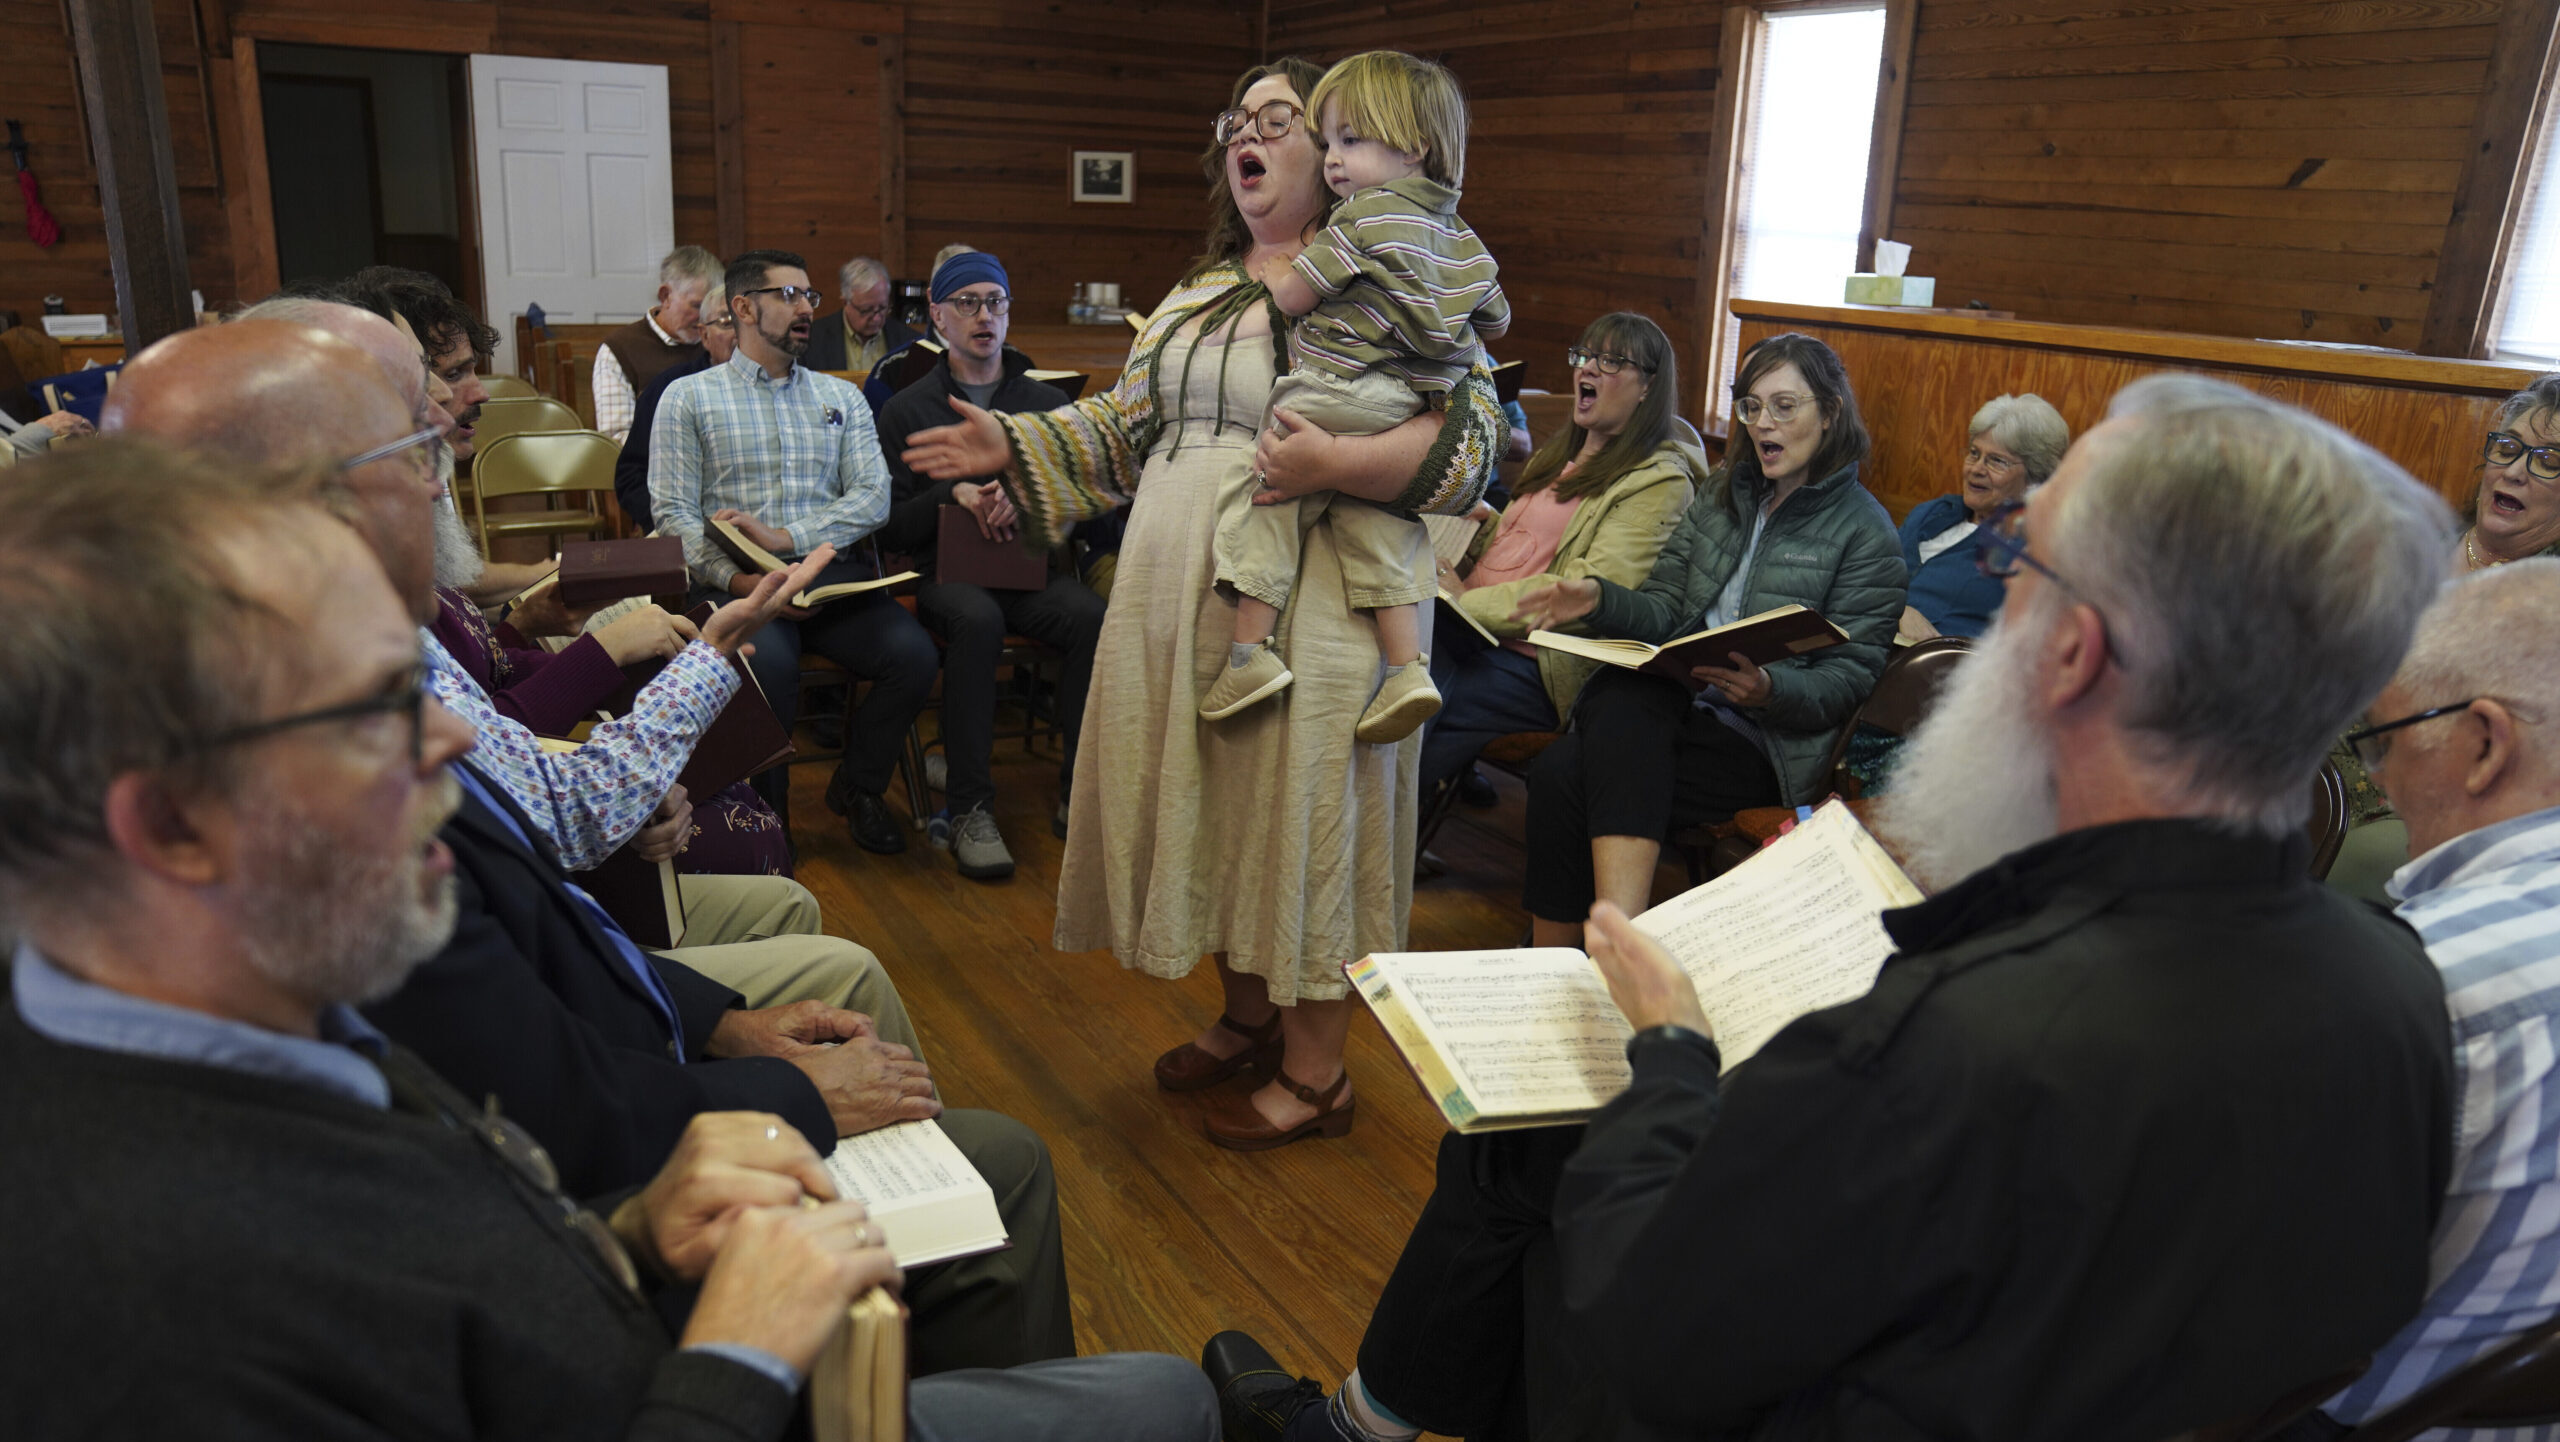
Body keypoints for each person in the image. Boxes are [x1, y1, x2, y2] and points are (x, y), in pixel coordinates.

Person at [1208, 373, 2461, 1442]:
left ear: (2074, 654)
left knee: (1531, 1142)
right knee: (1534, 1150)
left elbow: (1656, 1327)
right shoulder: (2396, 981)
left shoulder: (1965, 1033)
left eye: (2020, 559)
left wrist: (1670, 1047)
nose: (1999, 589)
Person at [0, 439, 1220, 1442]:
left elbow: (459, 1292)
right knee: (1166, 1400)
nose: (450, 744)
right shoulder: (132, 1299)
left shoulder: (250, 998)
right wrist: (736, 1355)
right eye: (372, 710)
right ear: (169, 823)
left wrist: (625, 1238)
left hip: (631, 1321)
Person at [900, 59, 1504, 1149]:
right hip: (1187, 592)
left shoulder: (1391, 275)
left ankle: (1320, 1073)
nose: (1248, 134)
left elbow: (1470, 450)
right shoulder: (1195, 295)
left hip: (1321, 591)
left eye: (1279, 117)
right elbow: (1125, 429)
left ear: (1333, 150)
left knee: (1310, 814)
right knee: (1225, 807)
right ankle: (1247, 1014)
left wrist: (1335, 459)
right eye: (1237, 120)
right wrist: (1018, 441)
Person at [1509, 332, 1905, 944]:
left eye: (1783, 406)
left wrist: (1769, 689)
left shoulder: (1866, 532)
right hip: (1677, 713)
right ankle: (1604, 953)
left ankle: (1607, 949)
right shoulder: (1724, 493)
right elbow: (1668, 607)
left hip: (1765, 745)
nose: (1761, 423)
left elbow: (1850, 680)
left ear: (1829, 414)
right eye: (1749, 406)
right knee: (1607, 716)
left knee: (1571, 764)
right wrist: (1598, 599)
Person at [2291, 561, 2560, 1437]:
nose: (2381, 778)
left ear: (2485, 744)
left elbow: (2251, 1298)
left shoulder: (2430, 987)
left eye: (2384, 741)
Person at [1203, 50, 1509, 745]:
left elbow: (1293, 296)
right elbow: (1495, 318)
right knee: (1379, 522)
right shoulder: (1458, 236)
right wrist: (1438, 324)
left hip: (1341, 390)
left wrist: (1285, 275)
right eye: (1330, 141)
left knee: (1263, 491)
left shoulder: (1360, 221)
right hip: (1404, 394)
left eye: (1343, 140)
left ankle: (1249, 651)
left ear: (1415, 147)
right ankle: (1408, 666)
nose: (1336, 159)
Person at [651, 248, 939, 852]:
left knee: (912, 656)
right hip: (740, 589)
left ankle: (858, 788)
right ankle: (766, 825)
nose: (806, 308)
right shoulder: (690, 398)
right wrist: (743, 585)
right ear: (743, 307)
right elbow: (675, 519)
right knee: (769, 667)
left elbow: (873, 498)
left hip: (831, 586)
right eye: (788, 296)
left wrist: (788, 541)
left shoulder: (842, 398)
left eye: (809, 296)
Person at [874, 250, 1103, 879]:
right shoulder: (908, 409)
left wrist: (1031, 491)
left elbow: (1089, 505)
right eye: (968, 303)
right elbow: (890, 525)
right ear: (939, 319)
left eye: (995, 302)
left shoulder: (1041, 401)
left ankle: (1078, 793)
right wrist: (955, 493)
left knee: (1090, 615)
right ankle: (972, 805)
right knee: (976, 620)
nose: (984, 316)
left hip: (1026, 566)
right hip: (945, 574)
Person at [1420, 313, 1700, 805]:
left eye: (1610, 361)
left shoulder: (1658, 481)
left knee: (1421, 703)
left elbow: (1584, 593)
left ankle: (1377, 847)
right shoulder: (1559, 455)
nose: (1587, 369)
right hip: (1473, 631)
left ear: (1646, 388)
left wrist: (1465, 602)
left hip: (1538, 662)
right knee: (1391, 667)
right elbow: (1523, 546)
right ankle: (1373, 836)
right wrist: (1478, 529)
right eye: (1584, 355)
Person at [2329, 373, 2560, 900]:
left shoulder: (2548, 602)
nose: (2517, 471)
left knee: (2361, 860)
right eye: (2508, 448)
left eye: (2548, 460)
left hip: (2423, 792)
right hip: (2316, 745)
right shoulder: (2412, 544)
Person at [1895, 391, 2069, 642]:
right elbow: (1870, 579)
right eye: (1974, 453)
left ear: (2035, 477)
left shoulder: (2028, 548)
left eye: (1996, 461)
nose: (1976, 469)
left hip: (1933, 669)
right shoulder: (1929, 514)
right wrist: (1898, 610)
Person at [616, 277, 732, 532]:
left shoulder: (780, 384)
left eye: (749, 324)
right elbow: (631, 475)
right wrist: (671, 525)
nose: (739, 334)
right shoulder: (671, 387)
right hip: (684, 530)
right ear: (704, 335)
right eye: (726, 323)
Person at [595, 244, 721, 444]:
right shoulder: (620, 349)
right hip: (652, 468)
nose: (704, 318)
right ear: (666, 296)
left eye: (711, 307)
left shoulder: (722, 343)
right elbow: (616, 439)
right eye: (697, 306)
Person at [803, 254, 916, 376]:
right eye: (866, 310)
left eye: (883, 308)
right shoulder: (812, 340)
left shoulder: (909, 341)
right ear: (845, 302)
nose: (877, 318)